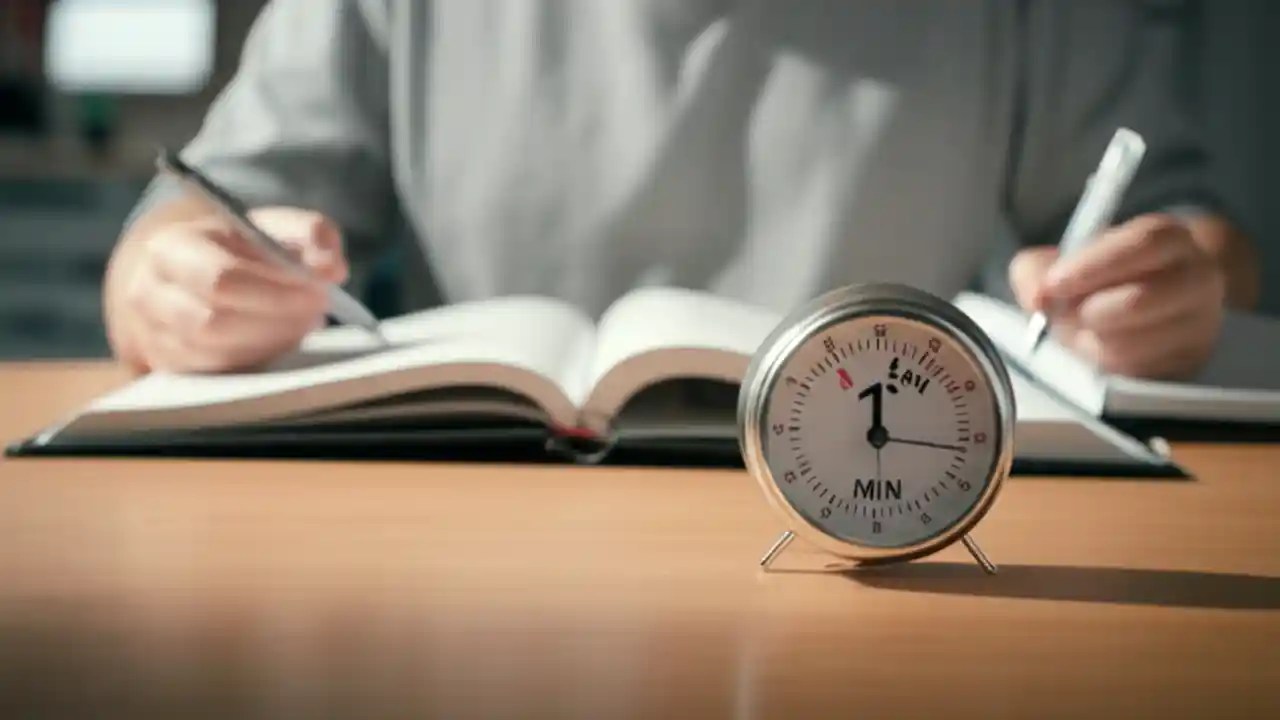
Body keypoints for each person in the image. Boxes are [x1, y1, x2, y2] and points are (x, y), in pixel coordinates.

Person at [104, 0, 1259, 379]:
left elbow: (1196, 233)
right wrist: (163, 285)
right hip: (485, 538)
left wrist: (1173, 285)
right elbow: (192, 216)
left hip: (897, 513)